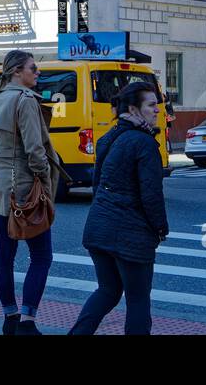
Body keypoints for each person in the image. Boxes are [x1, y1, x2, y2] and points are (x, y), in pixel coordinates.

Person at [68, 81, 169, 336]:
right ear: (134, 109)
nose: (157, 110)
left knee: (107, 291)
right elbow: (151, 194)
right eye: (151, 105)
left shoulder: (108, 137)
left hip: (99, 228)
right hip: (130, 234)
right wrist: (160, 228)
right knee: (137, 299)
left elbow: (97, 183)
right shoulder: (144, 144)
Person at [0, 49, 64, 335]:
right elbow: (35, 149)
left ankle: (9, 317)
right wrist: (44, 179)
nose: (37, 73)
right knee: (42, 256)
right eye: (33, 68)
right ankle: (28, 322)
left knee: (5, 253)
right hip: (25, 187)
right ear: (17, 71)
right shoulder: (25, 100)